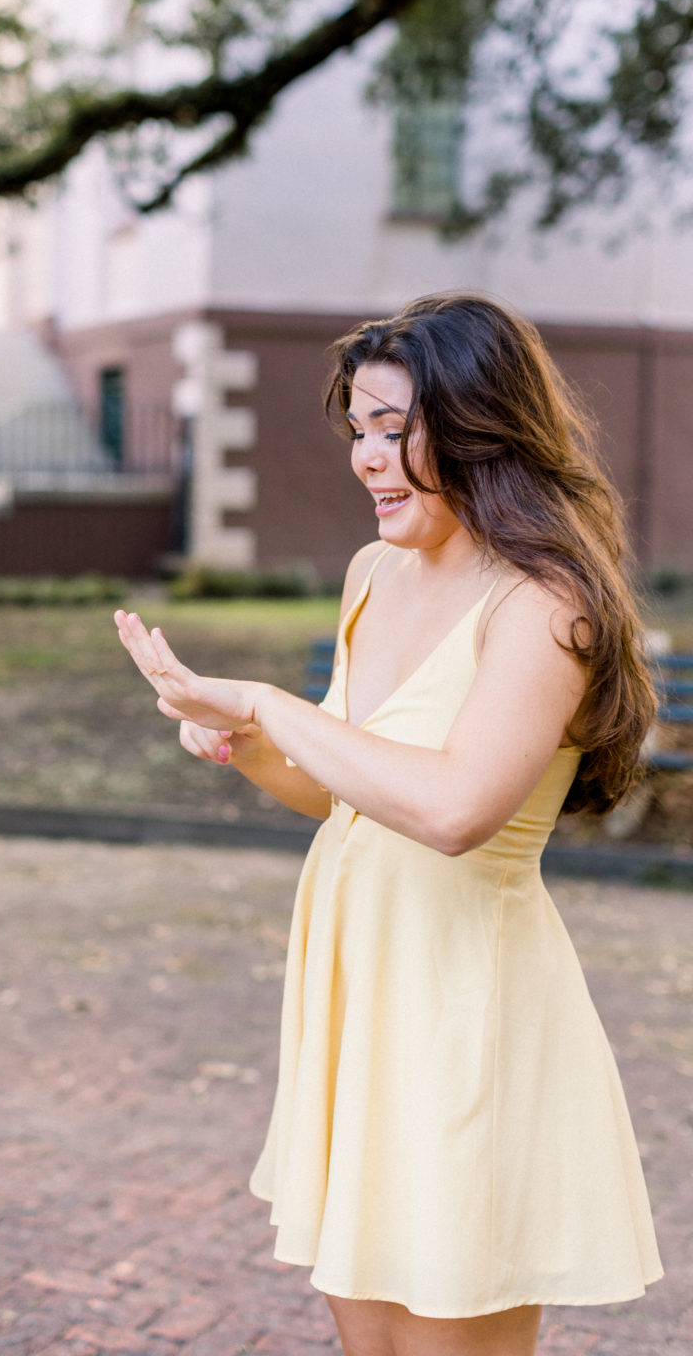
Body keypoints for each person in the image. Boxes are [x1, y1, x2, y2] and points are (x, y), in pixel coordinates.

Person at [115, 291, 662, 1356]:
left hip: (466, 1017)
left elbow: (454, 808)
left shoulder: (543, 605)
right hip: (356, 1002)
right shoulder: (374, 573)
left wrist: (273, 704)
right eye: (356, 431)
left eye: (391, 430)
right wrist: (234, 736)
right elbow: (342, 789)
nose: (365, 459)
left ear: (477, 428)